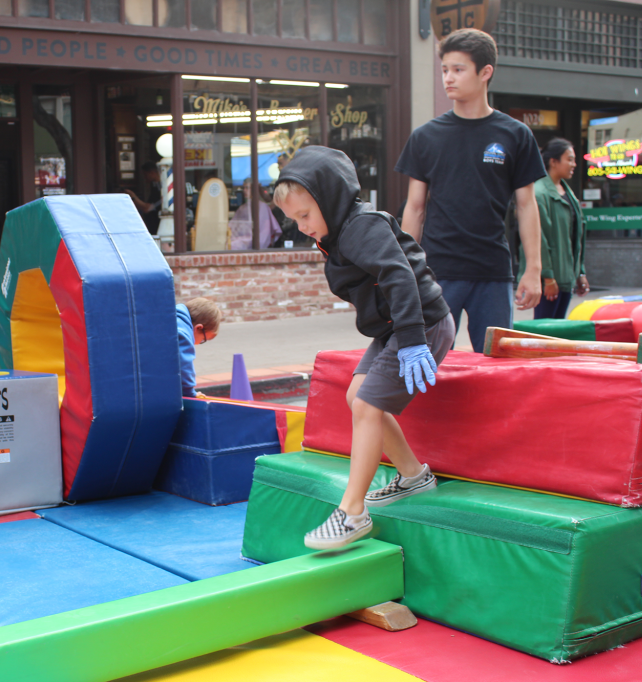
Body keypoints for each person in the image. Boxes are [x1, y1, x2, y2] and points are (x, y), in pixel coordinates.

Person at [275, 146, 454, 550]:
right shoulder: (337, 235)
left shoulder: (359, 226)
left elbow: (400, 276)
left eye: (305, 215)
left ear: (330, 200)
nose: (301, 226)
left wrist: (411, 341)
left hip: (418, 324)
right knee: (358, 395)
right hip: (395, 328)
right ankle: (413, 476)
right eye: (294, 219)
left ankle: (352, 513)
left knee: (368, 405)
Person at [397, 28, 545, 352]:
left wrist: (533, 269)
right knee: (428, 366)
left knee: (497, 366)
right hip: (437, 272)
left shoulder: (515, 135)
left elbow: (526, 206)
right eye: (445, 69)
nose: (448, 78)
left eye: (458, 69)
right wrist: (406, 270)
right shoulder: (425, 137)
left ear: (485, 72)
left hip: (492, 270)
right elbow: (415, 208)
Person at [519, 138, 588, 319]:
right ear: (553, 161)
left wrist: (579, 272)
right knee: (544, 333)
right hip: (549, 279)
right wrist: (548, 277)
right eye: (570, 159)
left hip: (566, 277)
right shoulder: (540, 193)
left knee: (558, 333)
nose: (574, 164)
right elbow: (539, 238)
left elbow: (576, 236)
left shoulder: (568, 193)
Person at [176, 297, 222, 398]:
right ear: (198, 328)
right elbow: (184, 366)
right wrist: (190, 393)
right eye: (203, 340)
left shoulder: (172, 317)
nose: (197, 344)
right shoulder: (182, 334)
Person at [229, 178, 282, 249]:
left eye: (247, 188)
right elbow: (232, 226)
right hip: (241, 240)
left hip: (254, 242)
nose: (244, 190)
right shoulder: (242, 208)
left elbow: (263, 234)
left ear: (254, 189)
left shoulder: (262, 207)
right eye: (244, 188)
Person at [124, 161, 162, 235]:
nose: (145, 178)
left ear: (152, 173)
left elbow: (147, 208)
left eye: (145, 174)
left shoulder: (160, 188)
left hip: (156, 224)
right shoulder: (154, 186)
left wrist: (133, 196)